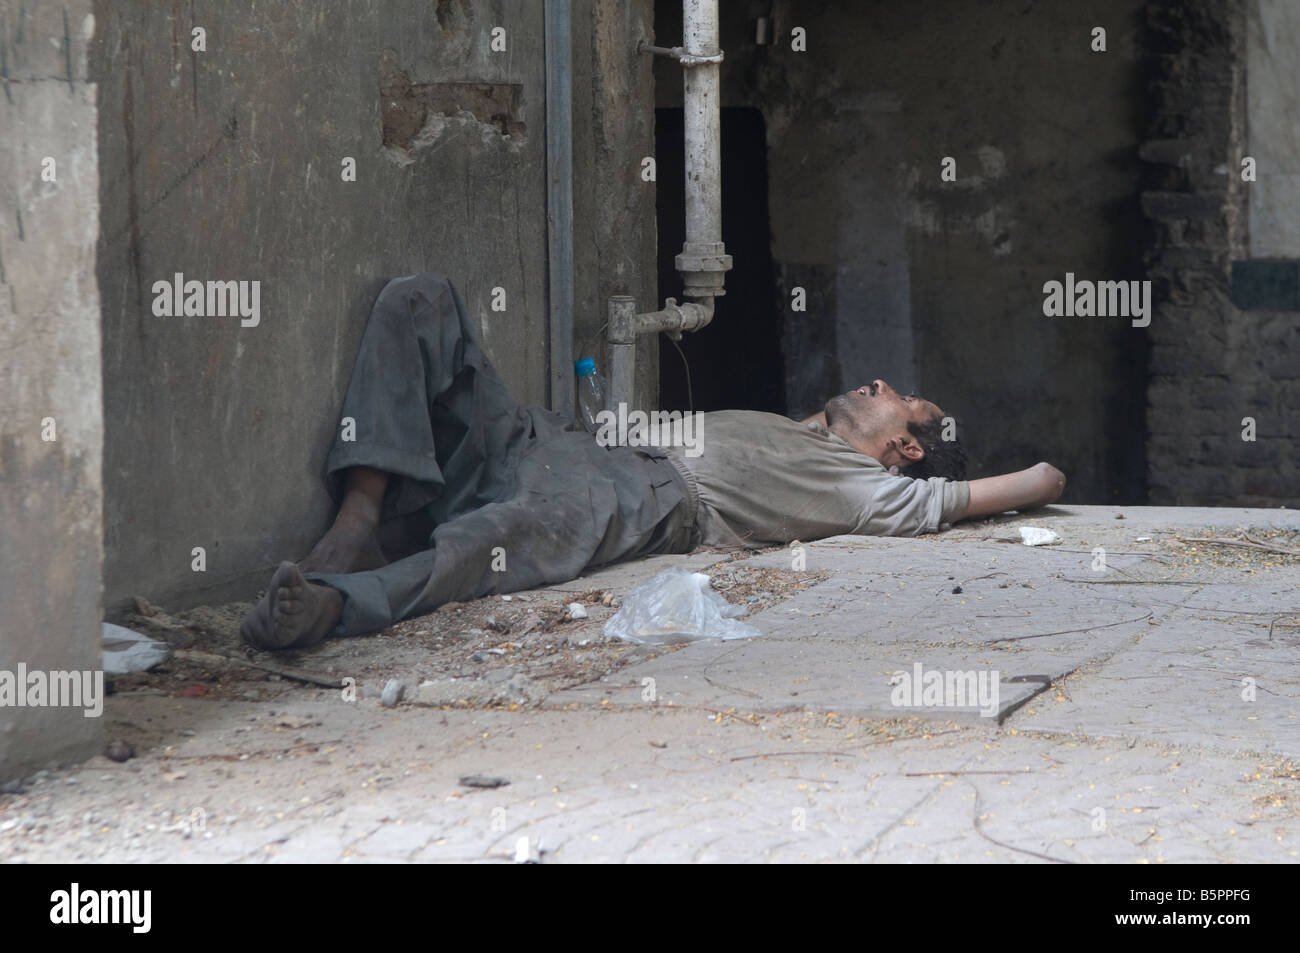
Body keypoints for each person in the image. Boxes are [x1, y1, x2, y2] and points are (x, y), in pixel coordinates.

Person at [240, 272, 1065, 650]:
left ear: (907, 448)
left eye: (904, 399)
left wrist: (975, 476)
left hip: (637, 493)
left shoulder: (872, 493)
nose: (882, 384)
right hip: (556, 440)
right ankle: (359, 516)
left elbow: (1042, 481)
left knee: (491, 542)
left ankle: (338, 604)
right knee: (421, 299)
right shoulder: (801, 432)